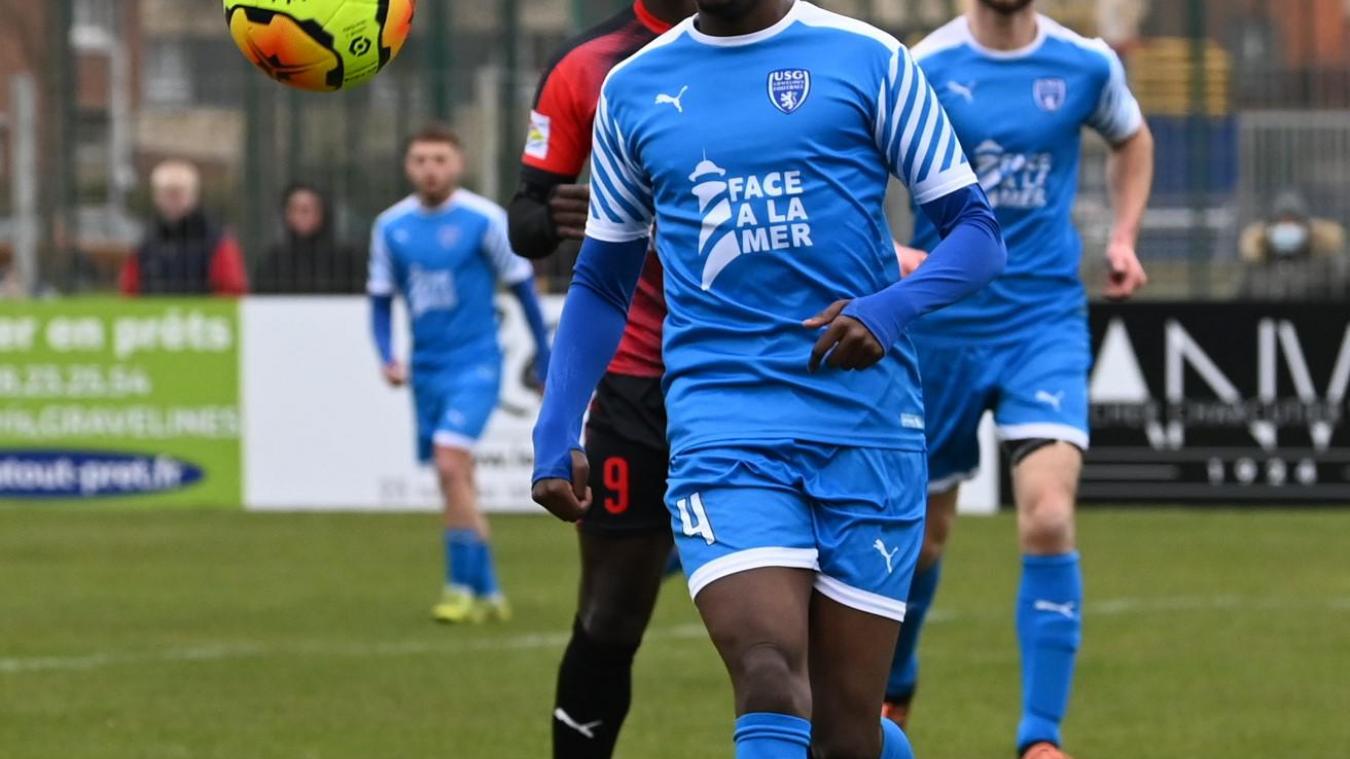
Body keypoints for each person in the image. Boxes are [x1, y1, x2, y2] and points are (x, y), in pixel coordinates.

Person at [532, 2, 1006, 757]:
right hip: (723, 426)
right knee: (767, 671)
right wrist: (555, 427)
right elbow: (601, 282)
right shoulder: (632, 89)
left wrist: (887, 311)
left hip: (867, 430)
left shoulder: (871, 59)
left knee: (846, 735)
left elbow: (977, 234)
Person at [882, 4, 1154, 759]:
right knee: (924, 539)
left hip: (1043, 323)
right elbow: (854, 173)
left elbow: (1132, 139)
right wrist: (894, 257)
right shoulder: (920, 66)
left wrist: (1124, 238)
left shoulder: (1086, 64)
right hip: (941, 328)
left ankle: (1039, 740)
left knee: (1047, 516)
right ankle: (894, 680)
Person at [508, 1, 694, 756]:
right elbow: (523, 218)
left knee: (787, 625)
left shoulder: (794, 46)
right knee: (612, 615)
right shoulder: (589, 66)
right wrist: (556, 212)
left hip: (752, 365)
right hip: (633, 373)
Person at [369, 124, 551, 624]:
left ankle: (457, 588)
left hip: (476, 364)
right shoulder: (390, 226)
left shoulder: (483, 220)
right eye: (422, 159)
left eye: (441, 159)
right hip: (426, 369)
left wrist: (546, 354)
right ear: (408, 167)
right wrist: (386, 354)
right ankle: (490, 590)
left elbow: (522, 289)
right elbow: (381, 301)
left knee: (451, 464)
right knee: (458, 479)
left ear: (459, 164)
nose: (431, 169)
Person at [121, 160, 248, 296]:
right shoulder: (145, 242)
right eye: (166, 193)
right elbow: (129, 291)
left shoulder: (217, 242)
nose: (172, 200)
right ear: (156, 197)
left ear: (193, 195)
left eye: (179, 193)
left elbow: (232, 291)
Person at [255, 183, 366, 294]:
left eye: (306, 210)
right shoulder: (273, 260)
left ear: (322, 213)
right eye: (295, 209)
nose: (301, 216)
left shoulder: (345, 259)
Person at [1238, 189, 1349, 301]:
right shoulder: (1257, 266)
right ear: (1270, 227)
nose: (1288, 227)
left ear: (1306, 227)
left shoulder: (1326, 265)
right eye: (1282, 222)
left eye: (1294, 221)